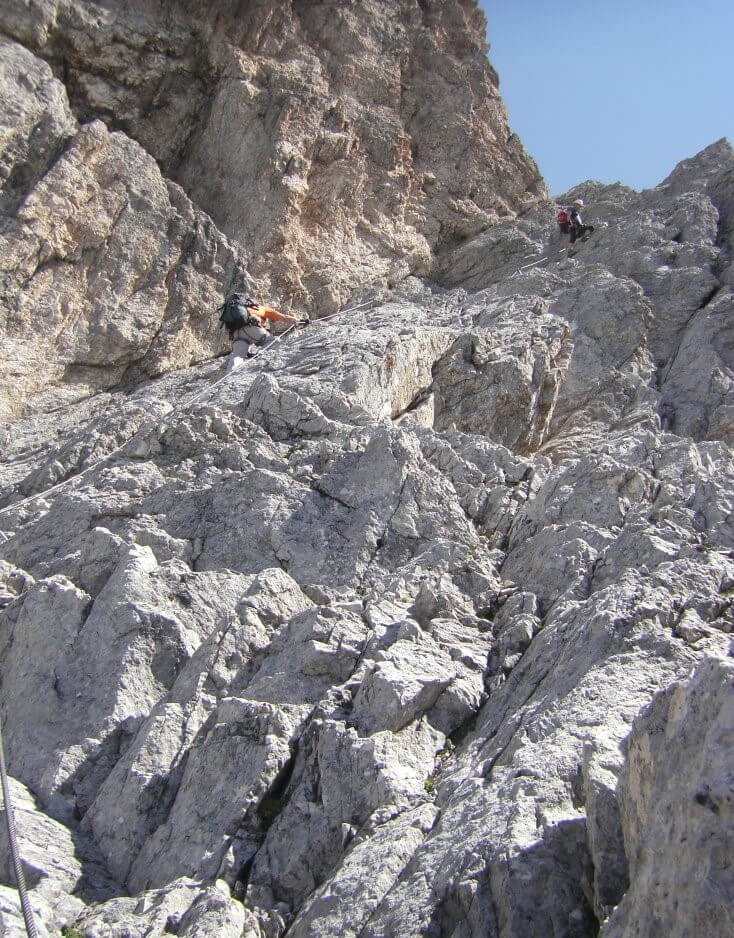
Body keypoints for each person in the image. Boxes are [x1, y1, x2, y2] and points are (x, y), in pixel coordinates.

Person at [222, 294, 309, 371]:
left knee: (238, 355)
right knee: (273, 341)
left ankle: (230, 373)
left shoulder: (242, 311)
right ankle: (261, 353)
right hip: (253, 329)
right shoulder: (260, 308)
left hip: (236, 334)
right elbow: (284, 317)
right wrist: (300, 321)